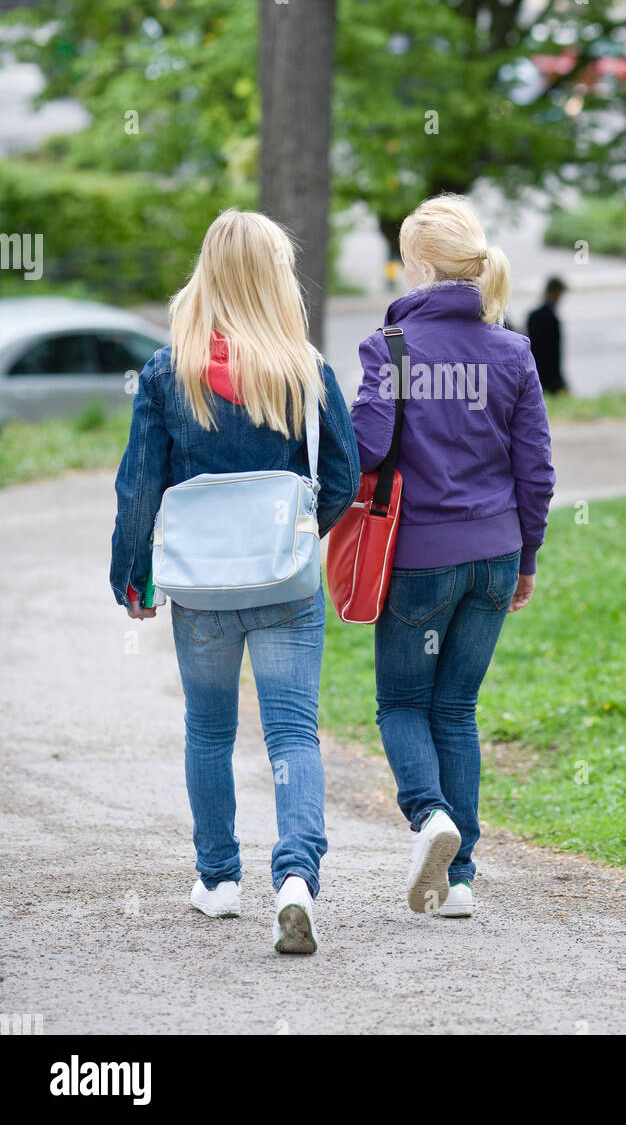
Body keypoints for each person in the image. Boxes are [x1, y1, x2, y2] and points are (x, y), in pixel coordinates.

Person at [109, 209, 359, 956]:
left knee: (210, 731)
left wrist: (132, 575)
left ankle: (218, 880)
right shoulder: (305, 370)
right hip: (285, 585)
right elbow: (342, 476)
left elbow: (137, 491)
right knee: (291, 733)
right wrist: (302, 531)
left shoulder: (167, 372)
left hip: (204, 593)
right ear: (275, 279)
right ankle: (295, 881)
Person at [350, 194, 555, 918]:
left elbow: (369, 446)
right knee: (457, 708)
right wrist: (527, 556)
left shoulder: (392, 349)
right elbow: (537, 470)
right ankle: (461, 878)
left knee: (404, 702)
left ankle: (429, 816)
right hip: (496, 555)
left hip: (419, 561)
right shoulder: (513, 351)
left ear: (420, 266)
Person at [527, 276, 568, 394]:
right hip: (548, 374)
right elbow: (554, 353)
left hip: (536, 369)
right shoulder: (551, 318)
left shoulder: (533, 316)